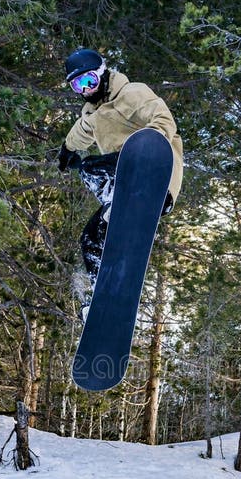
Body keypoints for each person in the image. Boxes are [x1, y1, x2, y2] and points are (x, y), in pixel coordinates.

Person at [57, 48, 183, 301]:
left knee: (91, 166)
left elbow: (163, 119)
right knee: (90, 239)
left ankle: (120, 197)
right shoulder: (92, 114)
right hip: (127, 180)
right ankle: (101, 295)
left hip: (155, 170)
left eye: (89, 80)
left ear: (103, 74)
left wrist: (149, 146)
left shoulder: (131, 93)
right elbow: (81, 131)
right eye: (78, 86)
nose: (86, 90)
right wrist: (67, 149)